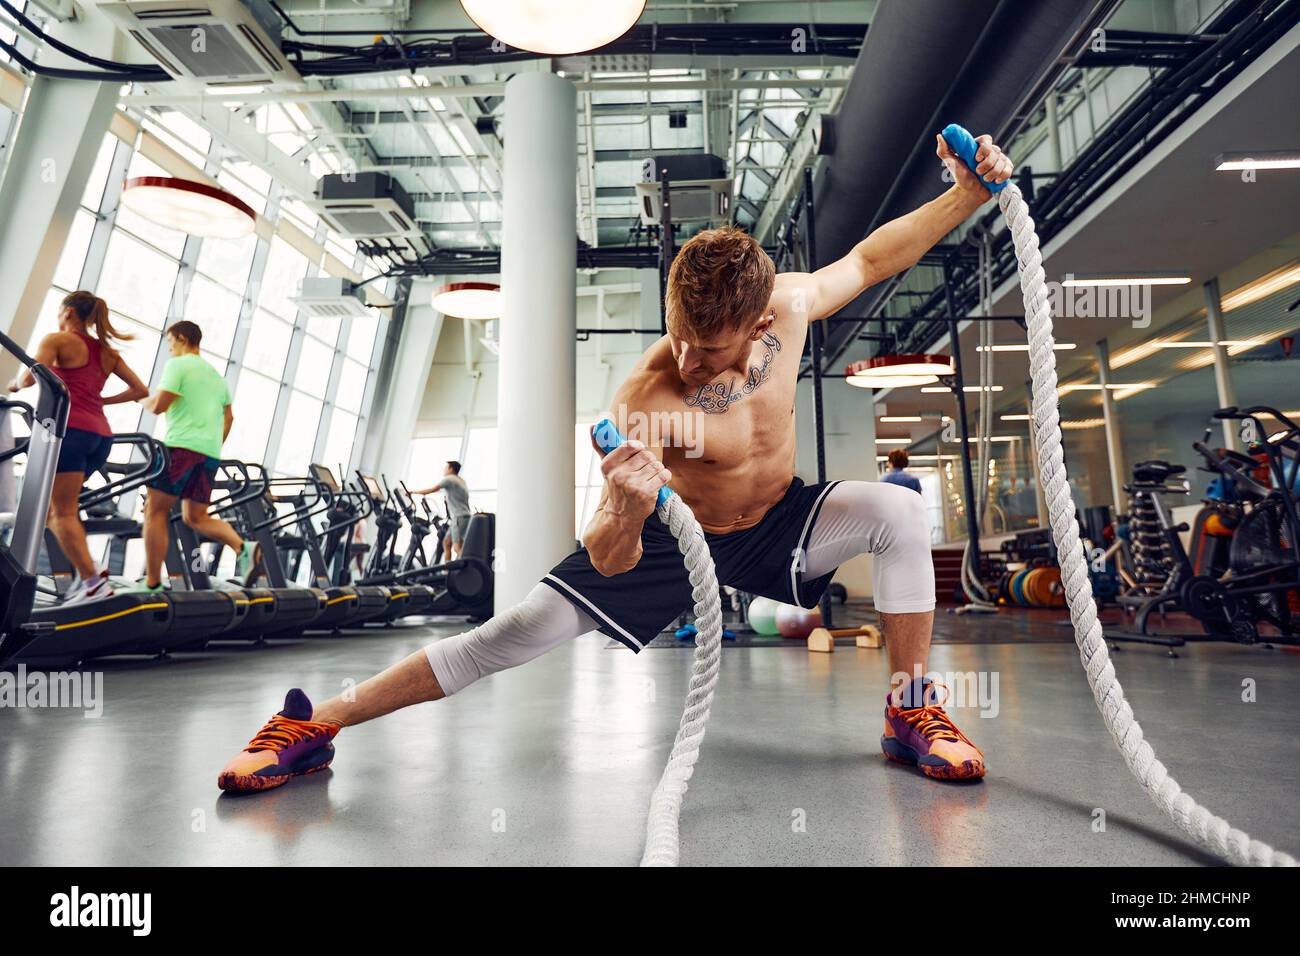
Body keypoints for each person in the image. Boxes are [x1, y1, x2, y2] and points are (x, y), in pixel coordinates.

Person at [217, 131, 1013, 793]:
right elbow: (607, 551)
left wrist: (965, 195)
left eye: (708, 351)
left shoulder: (792, 309)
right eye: (680, 339)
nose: (687, 361)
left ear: (760, 321)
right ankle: (311, 722)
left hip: (778, 521)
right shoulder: (645, 400)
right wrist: (628, 506)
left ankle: (910, 711)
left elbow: (874, 260)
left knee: (899, 510)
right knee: (513, 632)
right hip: (672, 537)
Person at [6, 292, 149, 604]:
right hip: (100, 438)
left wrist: (14, 385)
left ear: (69, 312)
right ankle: (88, 573)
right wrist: (101, 400)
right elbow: (140, 390)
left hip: (69, 432)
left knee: (61, 513)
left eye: (60, 312)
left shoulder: (58, 339)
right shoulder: (107, 352)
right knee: (54, 512)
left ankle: (91, 580)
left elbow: (34, 376)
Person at [134, 320, 257, 592]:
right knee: (195, 517)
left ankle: (152, 583)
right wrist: (212, 446)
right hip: (209, 454)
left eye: (170, 343)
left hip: (180, 447)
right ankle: (243, 547)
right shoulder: (217, 376)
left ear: (181, 338)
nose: (169, 349)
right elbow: (229, 418)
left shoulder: (178, 365)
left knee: (154, 510)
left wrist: (140, 398)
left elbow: (158, 405)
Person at [410, 461, 471, 561]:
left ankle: (466, 571)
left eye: (446, 467)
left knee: (457, 547)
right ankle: (447, 572)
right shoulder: (461, 481)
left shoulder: (449, 479)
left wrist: (412, 492)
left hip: (459, 518)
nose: (444, 470)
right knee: (447, 542)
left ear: (451, 469)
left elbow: (432, 489)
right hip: (463, 517)